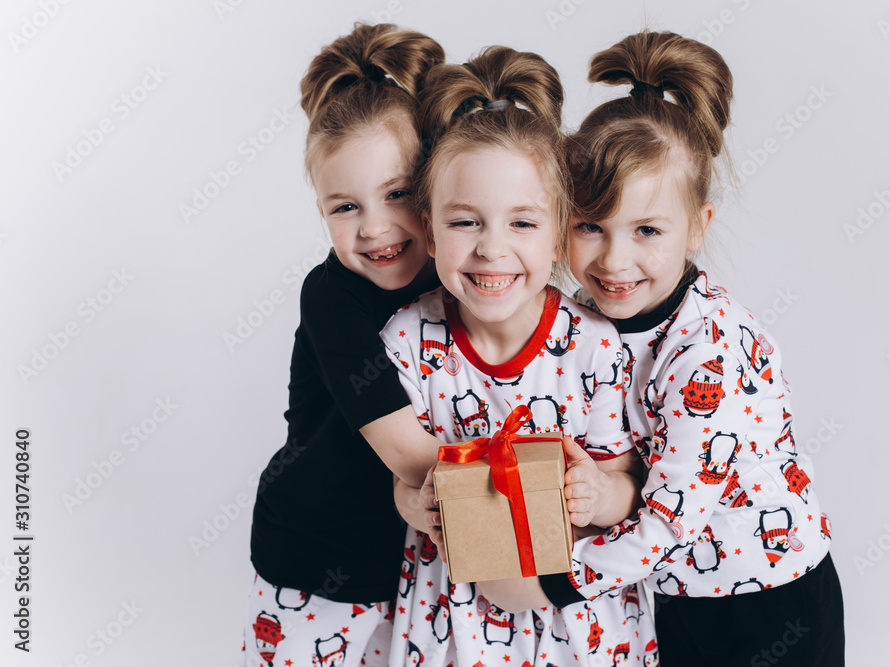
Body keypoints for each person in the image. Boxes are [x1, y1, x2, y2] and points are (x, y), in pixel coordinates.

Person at [481, 30, 846, 666]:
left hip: (769, 598)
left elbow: (668, 523)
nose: (615, 259)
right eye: (590, 226)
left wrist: (550, 582)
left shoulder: (711, 352)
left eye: (647, 230)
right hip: (676, 596)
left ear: (698, 227)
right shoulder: (589, 322)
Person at [381, 45, 658, 667]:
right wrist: (417, 505)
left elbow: (625, 481)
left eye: (523, 224)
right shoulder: (407, 338)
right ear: (428, 227)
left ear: (561, 231)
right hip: (452, 612)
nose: (492, 250)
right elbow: (401, 484)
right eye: (466, 223)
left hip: (573, 617)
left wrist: (600, 496)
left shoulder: (592, 347)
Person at [243, 23, 455, 667]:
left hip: (417, 569)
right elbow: (412, 455)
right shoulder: (333, 298)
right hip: (315, 563)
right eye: (346, 207)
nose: (377, 226)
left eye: (397, 194)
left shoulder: (464, 282)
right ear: (320, 213)